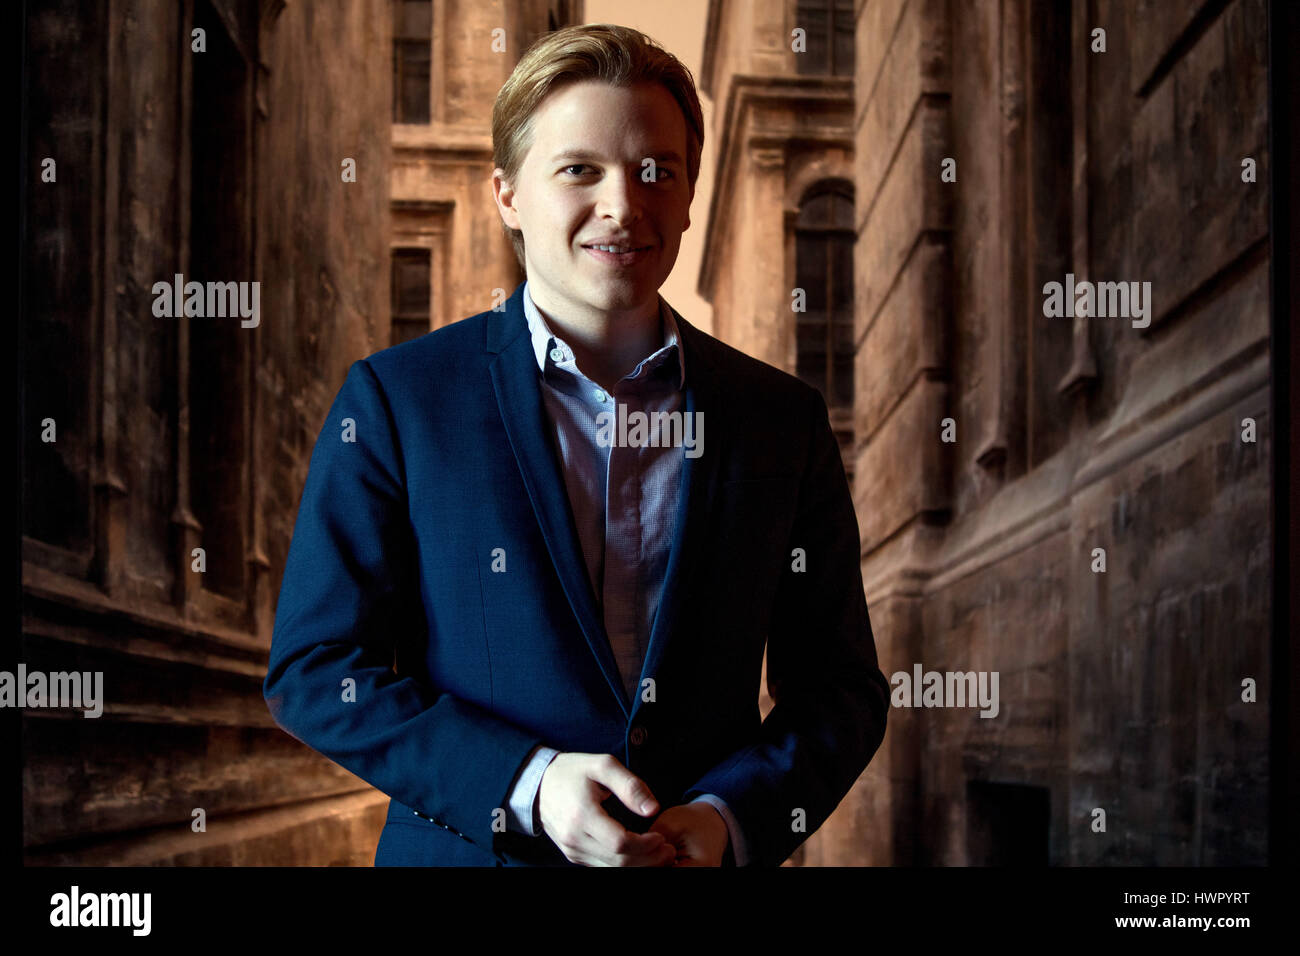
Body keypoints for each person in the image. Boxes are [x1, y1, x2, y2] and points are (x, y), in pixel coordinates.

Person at [263, 23, 889, 867]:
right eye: (578, 170)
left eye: (656, 171)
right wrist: (527, 782)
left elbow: (839, 693)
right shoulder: (396, 401)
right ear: (509, 195)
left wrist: (730, 819)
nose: (623, 205)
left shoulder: (781, 421)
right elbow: (316, 668)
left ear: (690, 195)